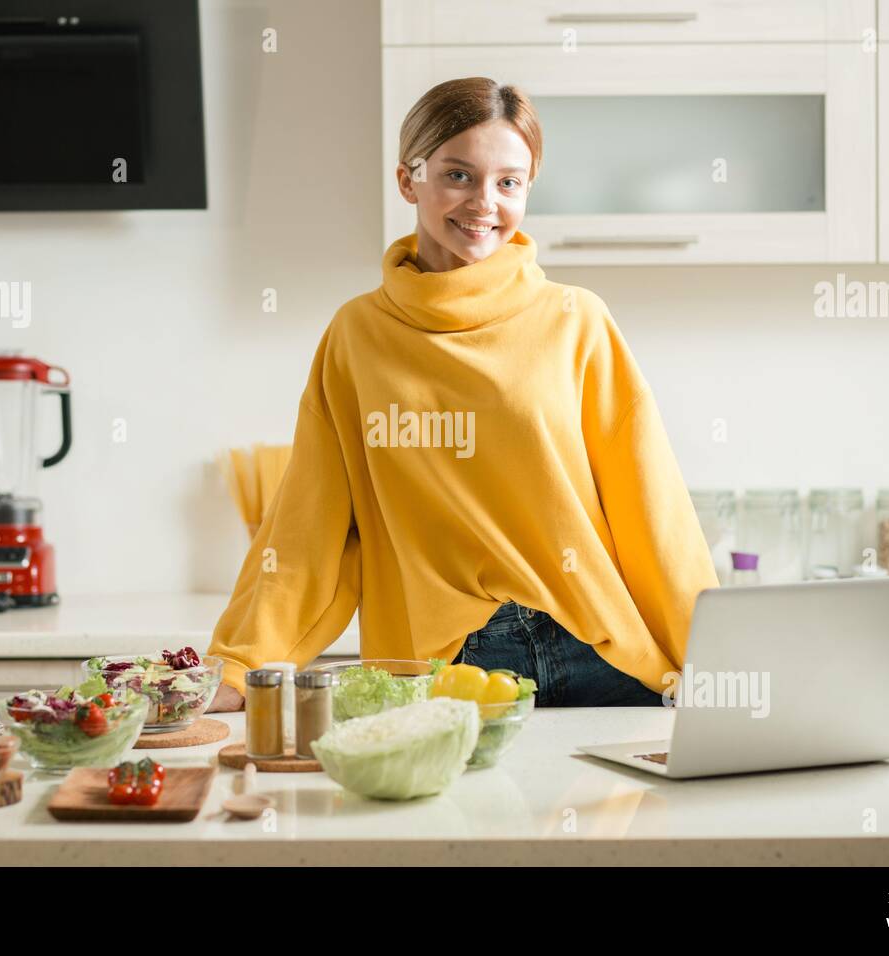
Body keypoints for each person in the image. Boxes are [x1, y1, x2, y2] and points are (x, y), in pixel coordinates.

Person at [207, 77, 716, 712]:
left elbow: (652, 509)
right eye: (458, 175)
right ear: (407, 180)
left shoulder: (576, 319)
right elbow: (310, 523)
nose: (484, 202)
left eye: (509, 182)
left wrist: (714, 658)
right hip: (447, 666)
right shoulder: (358, 335)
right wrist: (237, 670)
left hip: (604, 652)